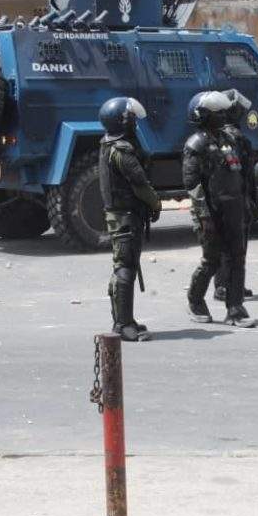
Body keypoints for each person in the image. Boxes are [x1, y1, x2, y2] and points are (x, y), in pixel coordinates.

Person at [184, 91, 256, 327]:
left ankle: (235, 308)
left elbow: (239, 172)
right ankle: (195, 301)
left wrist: (245, 201)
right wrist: (205, 215)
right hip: (210, 212)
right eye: (217, 112)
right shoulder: (196, 145)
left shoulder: (229, 139)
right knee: (211, 260)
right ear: (203, 116)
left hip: (233, 208)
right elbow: (192, 184)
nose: (222, 116)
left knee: (237, 257)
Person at [98, 96, 161, 342]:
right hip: (125, 216)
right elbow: (140, 183)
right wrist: (155, 202)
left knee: (125, 267)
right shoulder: (121, 150)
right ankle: (123, 324)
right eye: (131, 119)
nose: (134, 123)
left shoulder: (108, 144)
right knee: (125, 269)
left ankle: (124, 320)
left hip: (123, 214)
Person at [213, 90, 257, 303]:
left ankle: (229, 283)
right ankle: (225, 285)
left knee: (230, 243)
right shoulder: (234, 137)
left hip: (230, 195)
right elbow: (240, 172)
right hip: (236, 196)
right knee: (234, 243)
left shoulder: (221, 136)